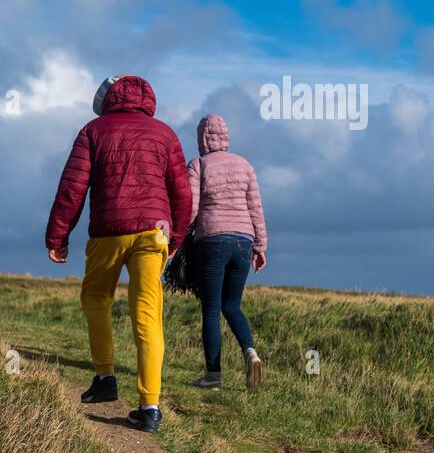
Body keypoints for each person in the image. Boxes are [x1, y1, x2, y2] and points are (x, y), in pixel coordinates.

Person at [45, 75, 191, 433]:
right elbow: (183, 195)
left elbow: (72, 188)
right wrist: (175, 241)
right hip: (154, 234)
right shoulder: (165, 134)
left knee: (96, 299)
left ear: (108, 99)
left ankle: (105, 377)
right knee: (147, 316)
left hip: (108, 232)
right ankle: (150, 407)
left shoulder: (93, 130)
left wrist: (58, 236)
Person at [186, 113, 268, 390]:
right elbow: (256, 209)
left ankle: (213, 376)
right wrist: (260, 246)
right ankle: (250, 351)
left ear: (202, 139)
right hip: (243, 241)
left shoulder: (198, 165)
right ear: (226, 137)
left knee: (210, 309)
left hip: (212, 240)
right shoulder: (245, 165)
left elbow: (192, 208)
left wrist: (178, 236)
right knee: (232, 305)